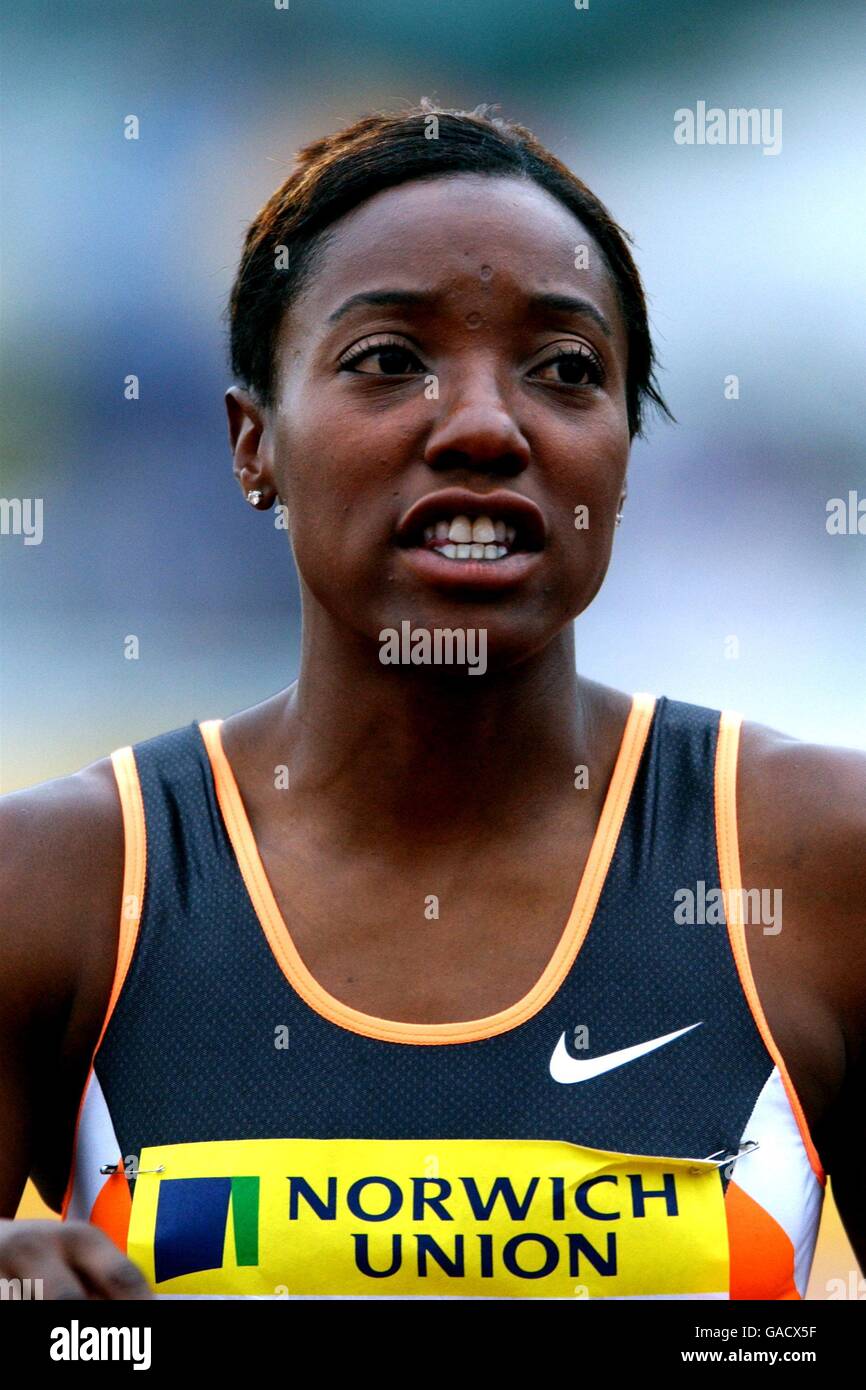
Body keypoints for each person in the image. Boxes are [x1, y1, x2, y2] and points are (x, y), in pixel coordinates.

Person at [1, 102, 863, 1301]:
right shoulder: (63, 885)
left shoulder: (814, 860)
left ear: (621, 452)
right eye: (387, 359)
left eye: (565, 370)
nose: (481, 425)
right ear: (252, 445)